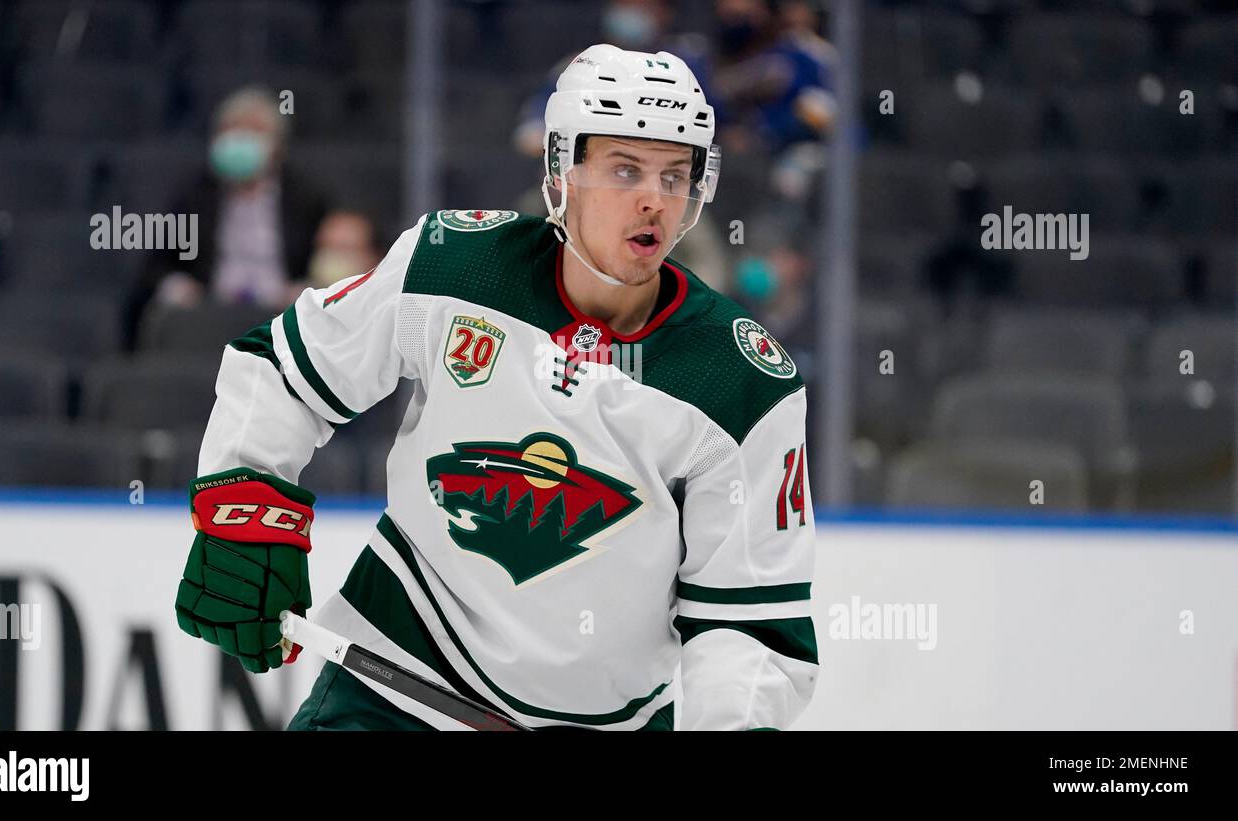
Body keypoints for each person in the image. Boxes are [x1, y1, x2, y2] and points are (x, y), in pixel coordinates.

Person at [175, 45, 819, 731]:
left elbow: (747, 625)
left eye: (673, 175)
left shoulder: (742, 381)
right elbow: (282, 369)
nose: (652, 201)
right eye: (624, 168)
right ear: (561, 171)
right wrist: (244, 505)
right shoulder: (456, 267)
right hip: (391, 689)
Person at [123, 86, 328, 350]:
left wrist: (306, 288)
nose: (241, 140)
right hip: (209, 316)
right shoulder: (193, 197)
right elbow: (156, 266)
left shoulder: (306, 200)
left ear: (277, 145)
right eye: (232, 131)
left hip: (282, 317)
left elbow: (331, 258)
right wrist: (177, 286)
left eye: (254, 132)